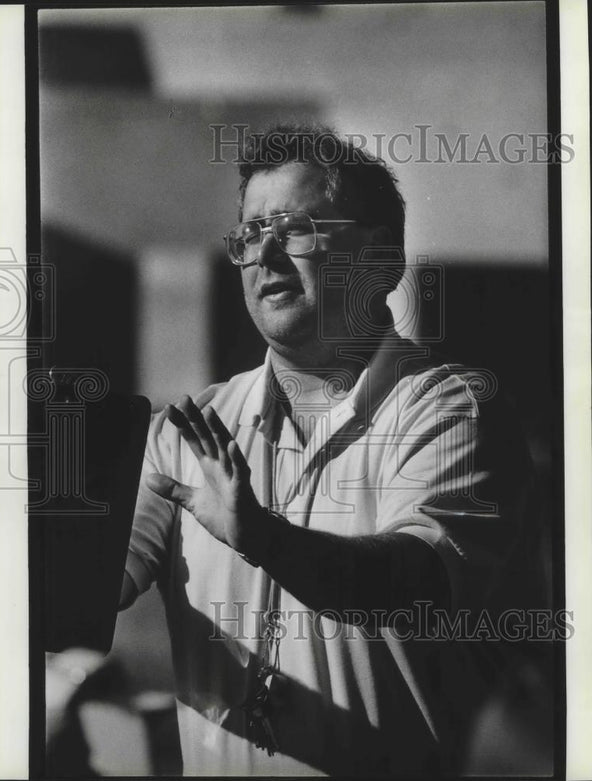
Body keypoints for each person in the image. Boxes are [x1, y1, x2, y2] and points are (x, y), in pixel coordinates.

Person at [119, 124, 539, 776]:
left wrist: (265, 538)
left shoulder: (451, 408)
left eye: (295, 229)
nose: (265, 255)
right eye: (249, 234)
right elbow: (82, 595)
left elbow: (414, 584)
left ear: (383, 260)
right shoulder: (189, 429)